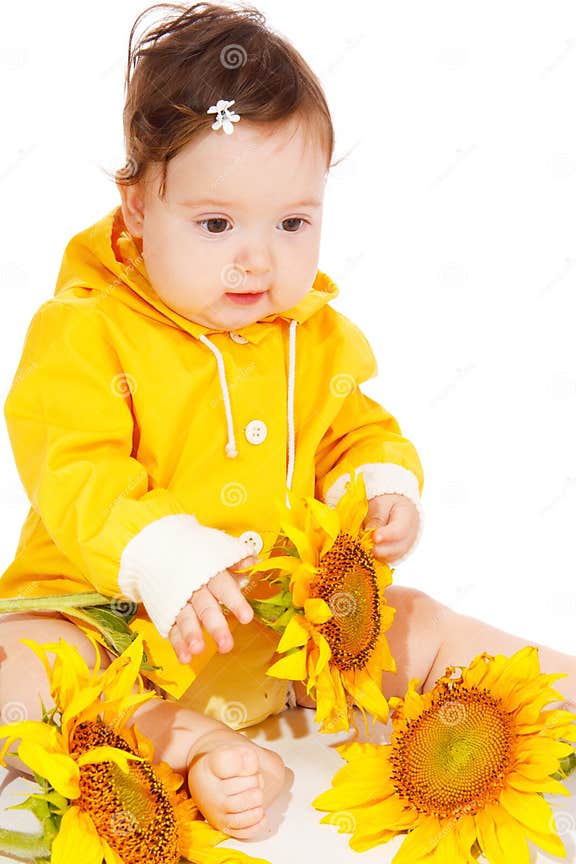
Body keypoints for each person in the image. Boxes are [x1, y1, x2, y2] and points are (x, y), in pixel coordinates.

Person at [0, 0, 573, 843]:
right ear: (135, 211)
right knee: (25, 673)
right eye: (217, 224)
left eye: (293, 223)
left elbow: (356, 428)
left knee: (419, 624)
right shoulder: (86, 328)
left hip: (282, 626)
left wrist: (377, 485)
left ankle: (556, 688)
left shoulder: (316, 334)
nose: (259, 258)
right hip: (109, 620)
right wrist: (160, 550)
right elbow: (73, 469)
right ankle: (187, 746)